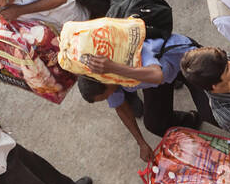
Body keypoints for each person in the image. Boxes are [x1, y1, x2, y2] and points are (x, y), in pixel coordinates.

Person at [77, 25, 214, 163]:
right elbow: (121, 108)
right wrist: (141, 143)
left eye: (106, 96)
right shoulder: (106, 80)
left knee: (211, 113)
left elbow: (157, 75)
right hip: (157, 80)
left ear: (105, 80)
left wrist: (115, 68)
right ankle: (191, 120)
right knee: (155, 123)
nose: (109, 98)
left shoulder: (121, 58)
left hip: (183, 61)